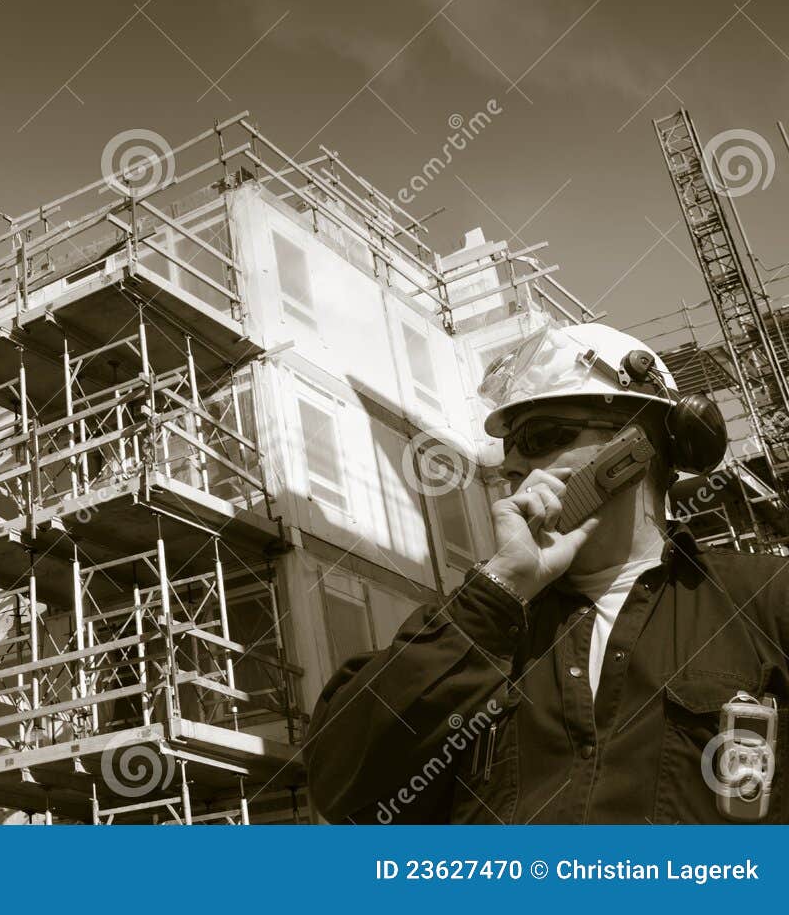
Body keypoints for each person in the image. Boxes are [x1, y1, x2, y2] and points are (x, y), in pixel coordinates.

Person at [303, 322, 789, 823]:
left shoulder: (767, 601)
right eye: (507, 445)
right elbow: (341, 791)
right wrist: (499, 595)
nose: (510, 463)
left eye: (539, 435)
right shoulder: (473, 629)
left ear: (633, 445)